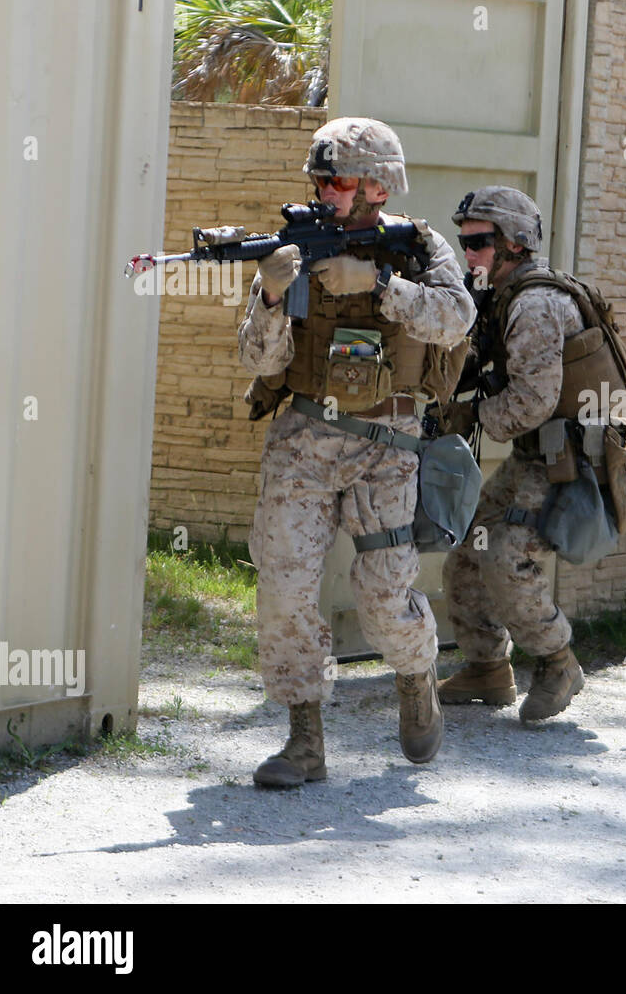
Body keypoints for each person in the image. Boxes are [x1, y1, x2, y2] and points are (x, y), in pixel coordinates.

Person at [237, 117, 475, 786]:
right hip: (304, 439)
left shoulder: (419, 246)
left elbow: (458, 318)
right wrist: (272, 297)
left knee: (382, 598)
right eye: (318, 177)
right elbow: (257, 358)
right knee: (283, 587)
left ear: (375, 186)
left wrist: (375, 287)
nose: (323, 189)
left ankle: (417, 671)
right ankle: (304, 739)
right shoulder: (295, 246)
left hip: (386, 445)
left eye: (336, 178)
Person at [437, 187, 626, 722]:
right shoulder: (502, 295)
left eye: (478, 241)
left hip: (569, 462)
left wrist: (470, 417)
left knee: (506, 555)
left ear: (514, 244)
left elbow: (530, 402)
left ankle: (557, 662)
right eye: (463, 240)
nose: (467, 252)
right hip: (536, 456)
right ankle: (487, 669)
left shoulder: (536, 304)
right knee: (468, 552)